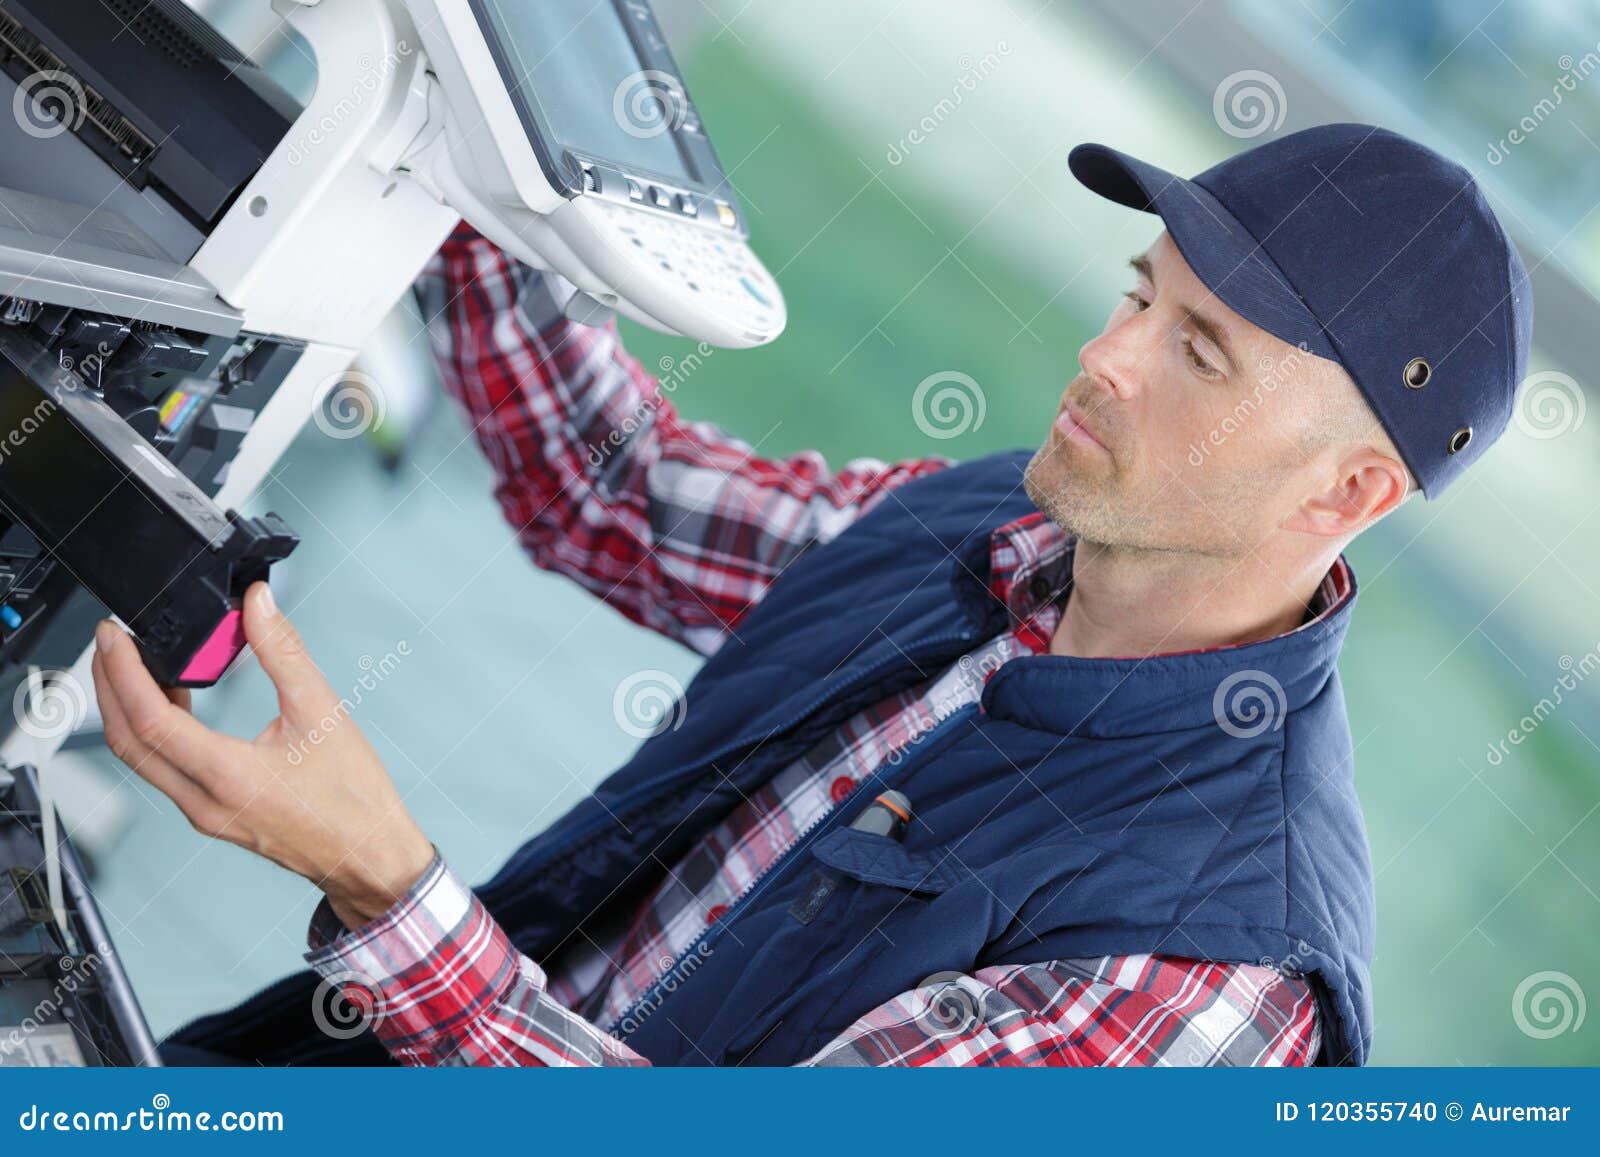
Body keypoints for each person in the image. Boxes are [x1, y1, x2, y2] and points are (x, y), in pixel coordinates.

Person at [97, 123, 1531, 1067]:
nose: (1106, 357)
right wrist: (457, 150)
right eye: (1138, 293)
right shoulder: (997, 521)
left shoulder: (1210, 973)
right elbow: (625, 495)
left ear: (1350, 494)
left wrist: (385, 886)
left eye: (1202, 352)